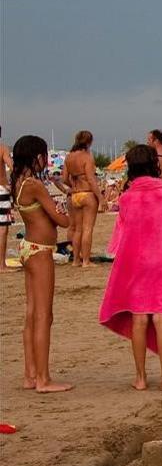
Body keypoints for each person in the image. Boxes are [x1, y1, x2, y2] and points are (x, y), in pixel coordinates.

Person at [100, 144, 162, 391]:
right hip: (161, 260)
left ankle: (140, 378)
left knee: (139, 318)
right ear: (153, 164)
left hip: (136, 263)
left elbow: (122, 234)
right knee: (161, 316)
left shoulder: (127, 199)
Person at [10, 135, 74, 392]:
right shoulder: (34, 184)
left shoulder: (19, 182)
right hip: (40, 251)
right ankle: (43, 379)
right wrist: (64, 206)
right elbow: (62, 221)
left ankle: (30, 374)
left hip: (28, 248)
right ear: (37, 157)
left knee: (31, 314)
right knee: (43, 316)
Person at [63, 130, 102, 267]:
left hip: (75, 195)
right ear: (89, 142)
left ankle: (75, 260)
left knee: (77, 229)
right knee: (87, 229)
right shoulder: (87, 157)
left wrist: (73, 185)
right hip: (87, 194)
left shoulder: (69, 157)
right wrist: (101, 198)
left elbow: (64, 178)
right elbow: (91, 180)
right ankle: (86, 261)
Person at [0, 129, 13, 273]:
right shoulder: (2, 148)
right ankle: (1, 265)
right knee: (2, 228)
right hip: (0, 189)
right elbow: (11, 166)